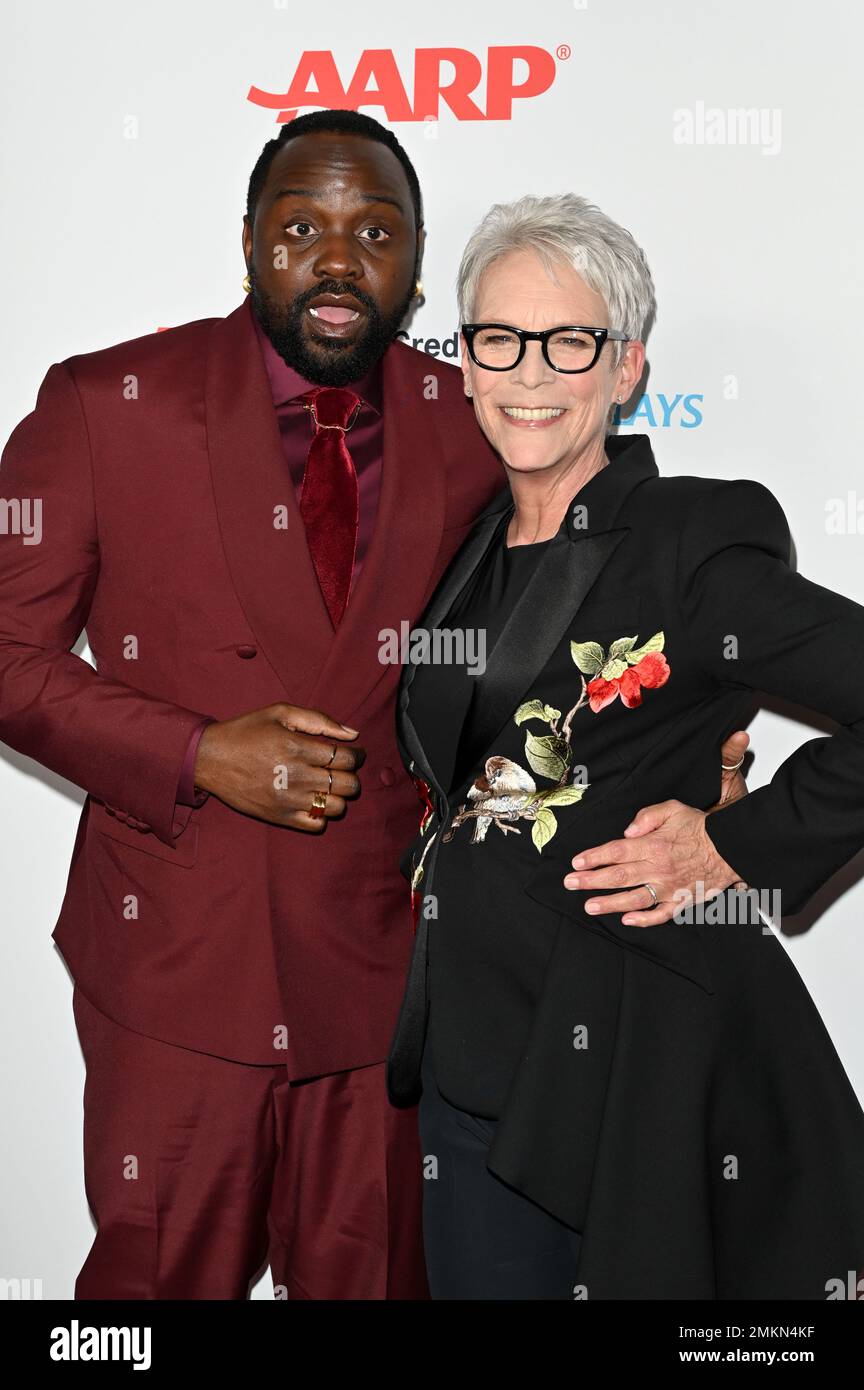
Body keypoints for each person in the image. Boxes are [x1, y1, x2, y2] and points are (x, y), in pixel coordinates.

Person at [387, 192, 864, 1300]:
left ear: (627, 366)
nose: (530, 372)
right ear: (464, 363)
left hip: (636, 1065)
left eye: (571, 341)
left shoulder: (690, 540)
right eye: (499, 338)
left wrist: (737, 842)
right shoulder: (465, 546)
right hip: (471, 1068)